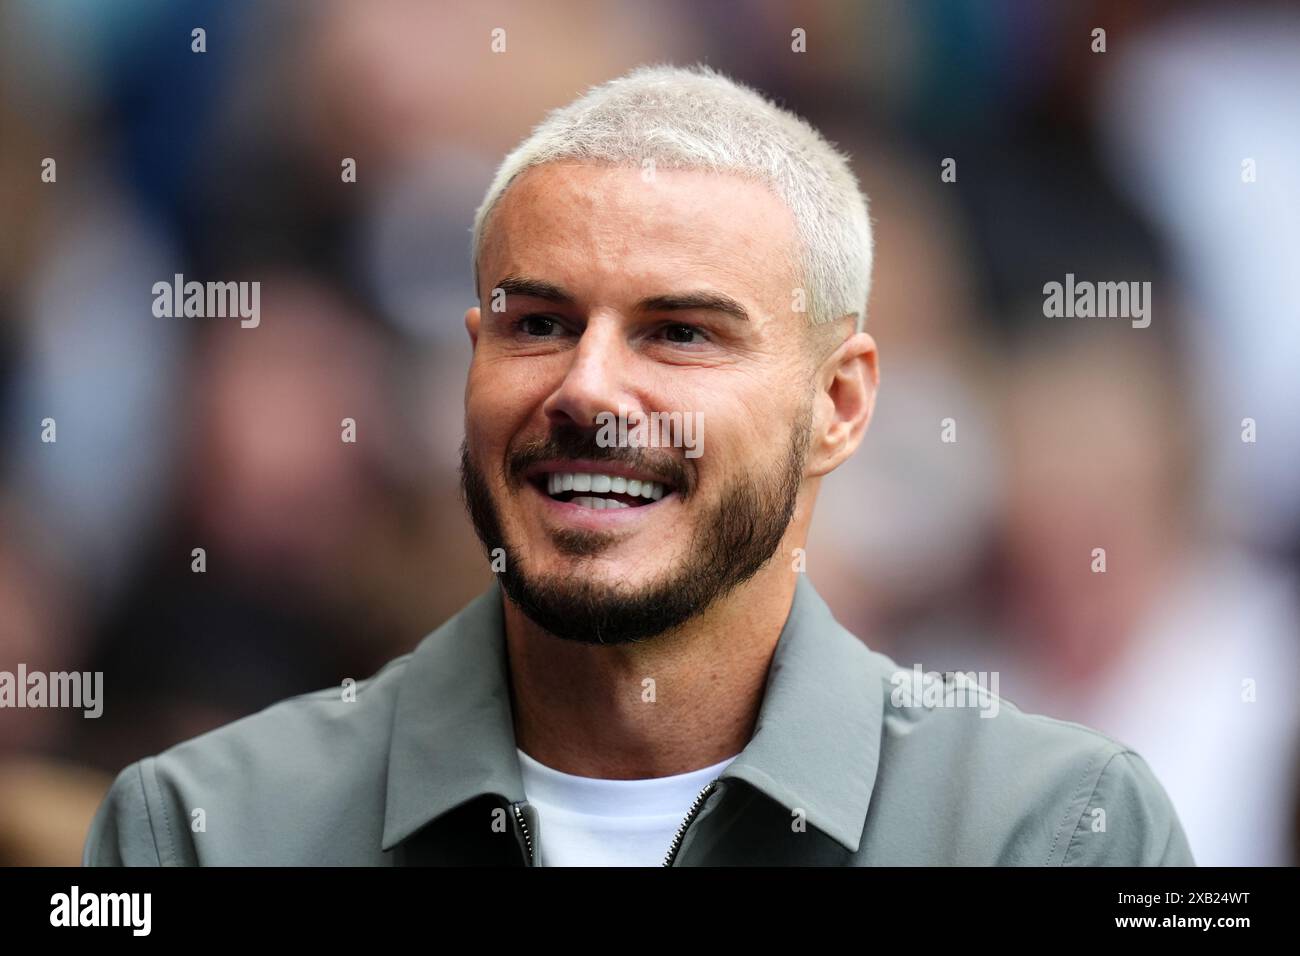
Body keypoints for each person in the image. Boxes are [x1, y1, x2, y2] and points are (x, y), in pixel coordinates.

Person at [84, 64, 1193, 866]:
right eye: (537, 324)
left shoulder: (1058, 832)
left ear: (838, 405)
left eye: (681, 331)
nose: (586, 390)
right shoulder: (199, 831)